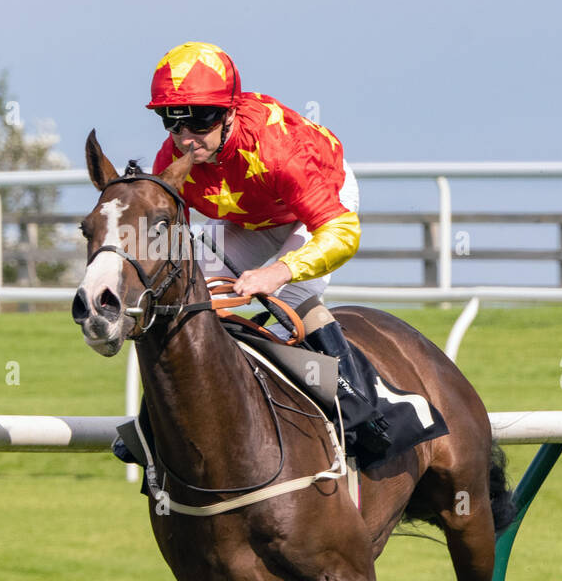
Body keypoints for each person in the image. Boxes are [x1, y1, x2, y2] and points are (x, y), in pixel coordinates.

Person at [118, 40, 390, 464]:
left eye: (200, 121)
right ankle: (155, 420)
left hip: (318, 206)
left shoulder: (279, 149)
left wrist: (278, 272)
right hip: (249, 216)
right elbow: (169, 245)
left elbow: (341, 234)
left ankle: (360, 414)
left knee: (290, 296)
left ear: (228, 112)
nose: (187, 139)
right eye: (173, 122)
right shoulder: (171, 158)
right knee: (183, 293)